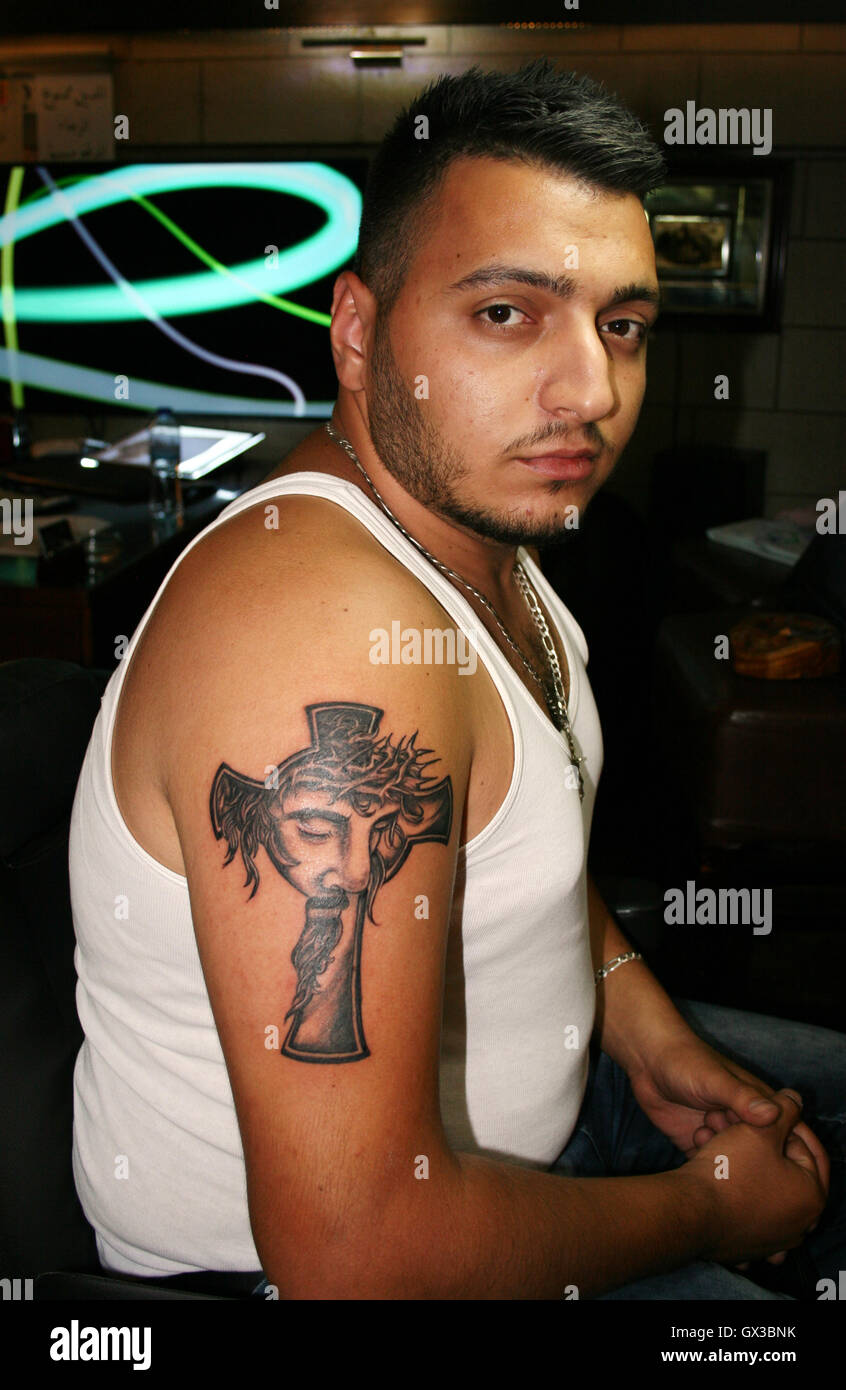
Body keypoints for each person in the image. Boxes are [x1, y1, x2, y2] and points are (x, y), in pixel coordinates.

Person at [69, 59, 844, 1300]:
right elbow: (355, 1253)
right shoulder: (320, 633)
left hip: (537, 1123)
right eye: (507, 314)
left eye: (622, 325)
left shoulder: (489, 543)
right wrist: (708, 1209)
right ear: (362, 331)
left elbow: (527, 846)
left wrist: (649, 1032)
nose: (591, 392)